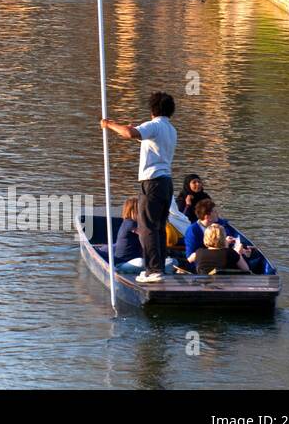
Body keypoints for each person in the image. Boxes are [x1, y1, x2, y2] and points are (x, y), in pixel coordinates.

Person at [101, 91, 177, 283]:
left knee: (148, 227)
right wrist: (134, 133)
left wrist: (109, 124)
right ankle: (158, 267)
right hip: (166, 183)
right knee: (158, 226)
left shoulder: (153, 125)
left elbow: (128, 133)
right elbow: (143, 139)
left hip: (152, 182)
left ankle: (153, 271)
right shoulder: (170, 129)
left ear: (152, 110)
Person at [183, 199, 249, 264]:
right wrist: (224, 243)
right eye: (214, 211)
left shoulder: (220, 223)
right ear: (207, 217)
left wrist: (243, 248)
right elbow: (190, 257)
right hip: (209, 263)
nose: (217, 213)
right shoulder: (192, 231)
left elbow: (232, 238)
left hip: (226, 255)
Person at [96, 196, 144, 264]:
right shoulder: (132, 224)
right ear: (135, 210)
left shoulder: (127, 222)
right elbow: (146, 235)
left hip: (123, 258)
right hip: (124, 260)